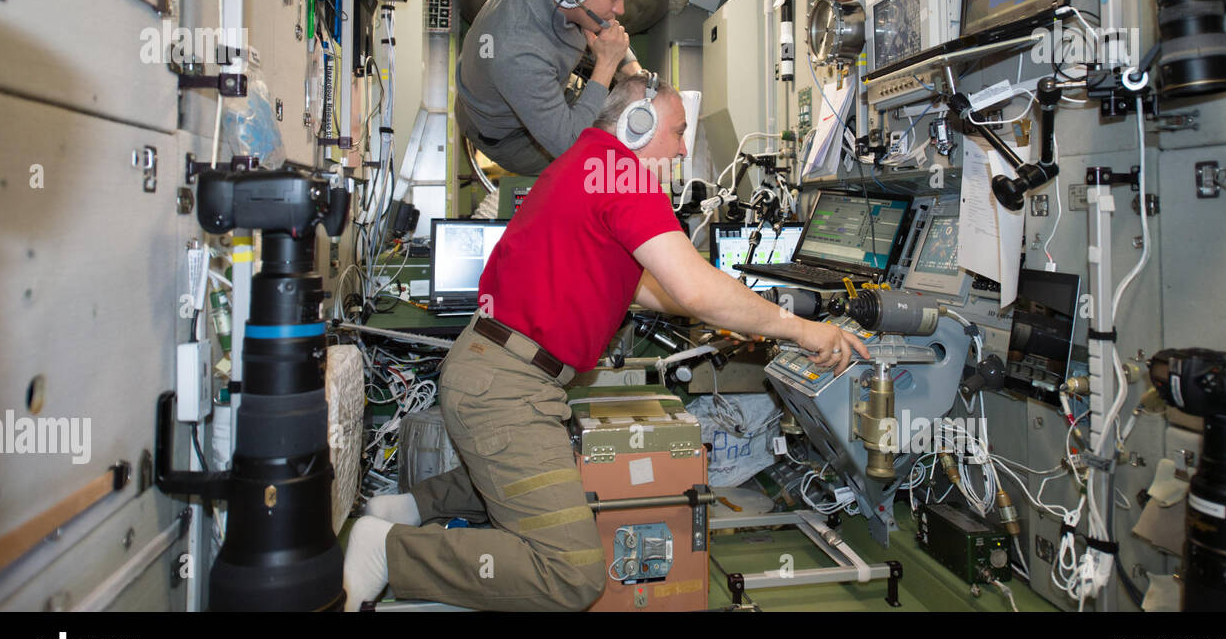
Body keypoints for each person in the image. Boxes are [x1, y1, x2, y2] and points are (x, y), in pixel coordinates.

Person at [342, 75, 870, 611]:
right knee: (570, 574)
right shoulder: (623, 173)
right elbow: (691, 286)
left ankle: (404, 511)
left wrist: (734, 307)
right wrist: (802, 328)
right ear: (636, 124)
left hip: (491, 370)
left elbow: (648, 286)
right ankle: (393, 552)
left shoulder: (589, 163)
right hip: (506, 387)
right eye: (679, 131)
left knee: (531, 475)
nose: (684, 148)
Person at [455, 0, 646, 176]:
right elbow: (571, 146)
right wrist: (608, 64)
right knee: (600, 164)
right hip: (511, 137)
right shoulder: (517, 52)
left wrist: (632, 70)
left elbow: (605, 26)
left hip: (531, 85)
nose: (620, 9)